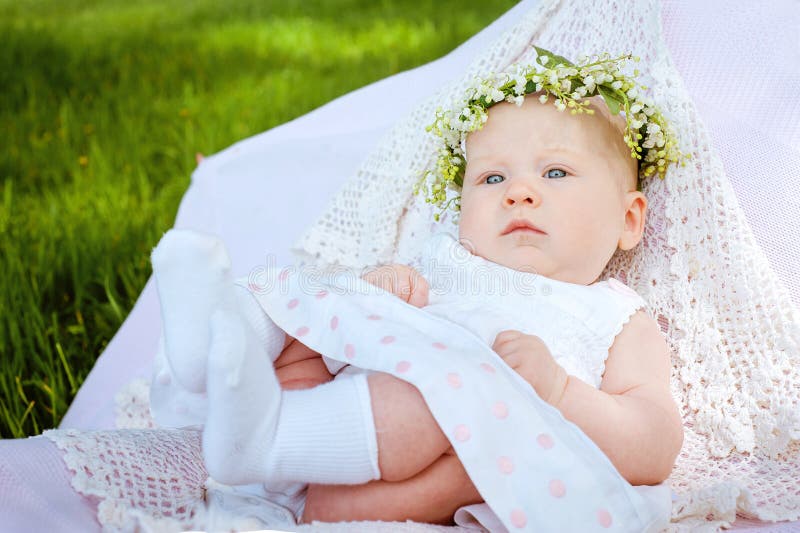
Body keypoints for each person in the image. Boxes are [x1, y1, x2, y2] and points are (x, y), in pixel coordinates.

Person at [149, 51, 684, 528]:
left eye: (556, 172)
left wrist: (562, 393)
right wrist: (380, 288)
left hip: (415, 453)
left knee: (444, 384)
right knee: (309, 295)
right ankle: (216, 341)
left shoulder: (613, 315)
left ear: (629, 218)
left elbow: (655, 440)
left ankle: (271, 443)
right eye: (492, 179)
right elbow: (365, 320)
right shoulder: (448, 257)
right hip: (319, 404)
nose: (519, 192)